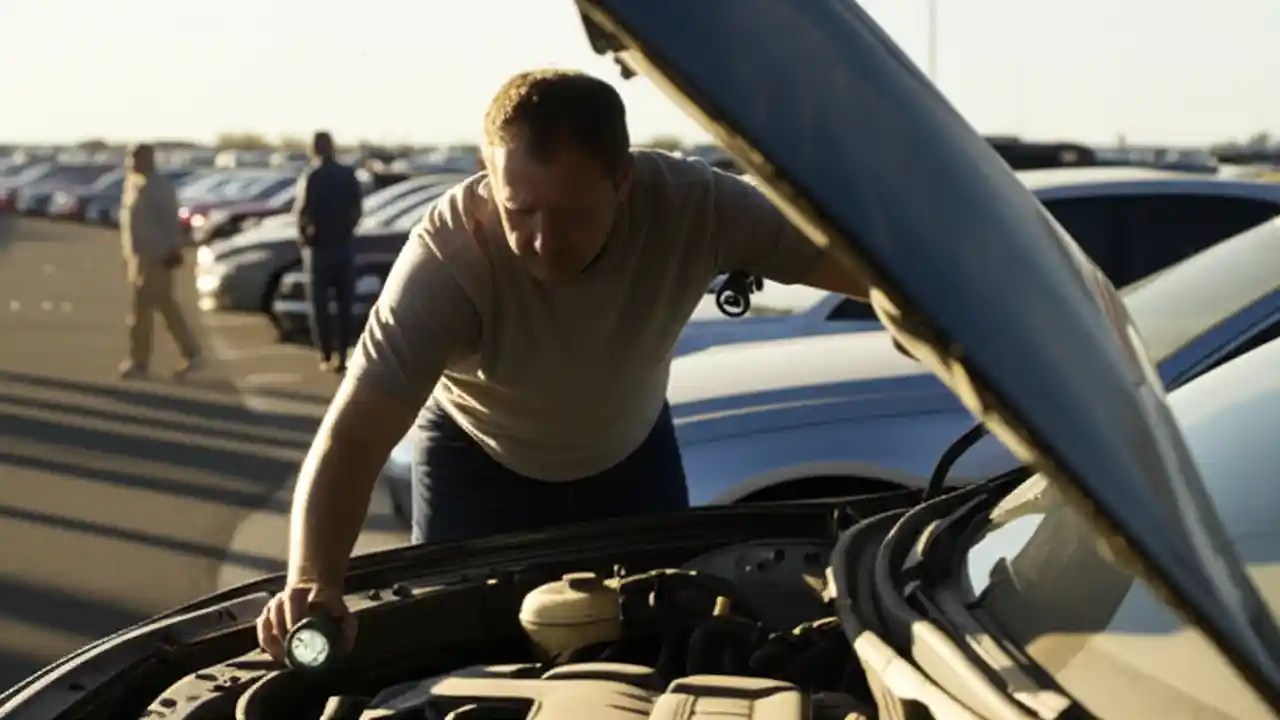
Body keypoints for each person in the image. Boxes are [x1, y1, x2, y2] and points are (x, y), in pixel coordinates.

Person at [255, 70, 871, 661]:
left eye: (572, 213)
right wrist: (312, 581)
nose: (545, 242)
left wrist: (947, 327)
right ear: (487, 177)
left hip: (631, 455)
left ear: (623, 180)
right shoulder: (445, 262)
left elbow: (871, 271)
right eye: (519, 211)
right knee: (460, 661)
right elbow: (355, 434)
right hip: (480, 462)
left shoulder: (696, 208)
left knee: (666, 641)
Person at [118, 143, 202, 380]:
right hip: (140, 258)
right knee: (165, 306)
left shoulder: (158, 188)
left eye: (136, 158)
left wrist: (173, 250)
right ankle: (191, 352)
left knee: (142, 310)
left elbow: (170, 223)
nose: (132, 163)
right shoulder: (134, 186)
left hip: (158, 257)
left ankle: (139, 361)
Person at [293, 131, 364, 373]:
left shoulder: (312, 175)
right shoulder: (348, 174)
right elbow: (357, 210)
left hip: (319, 248)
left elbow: (302, 212)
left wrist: (304, 238)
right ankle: (343, 355)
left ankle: (325, 354)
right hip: (344, 246)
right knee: (345, 305)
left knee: (320, 305)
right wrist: (346, 230)